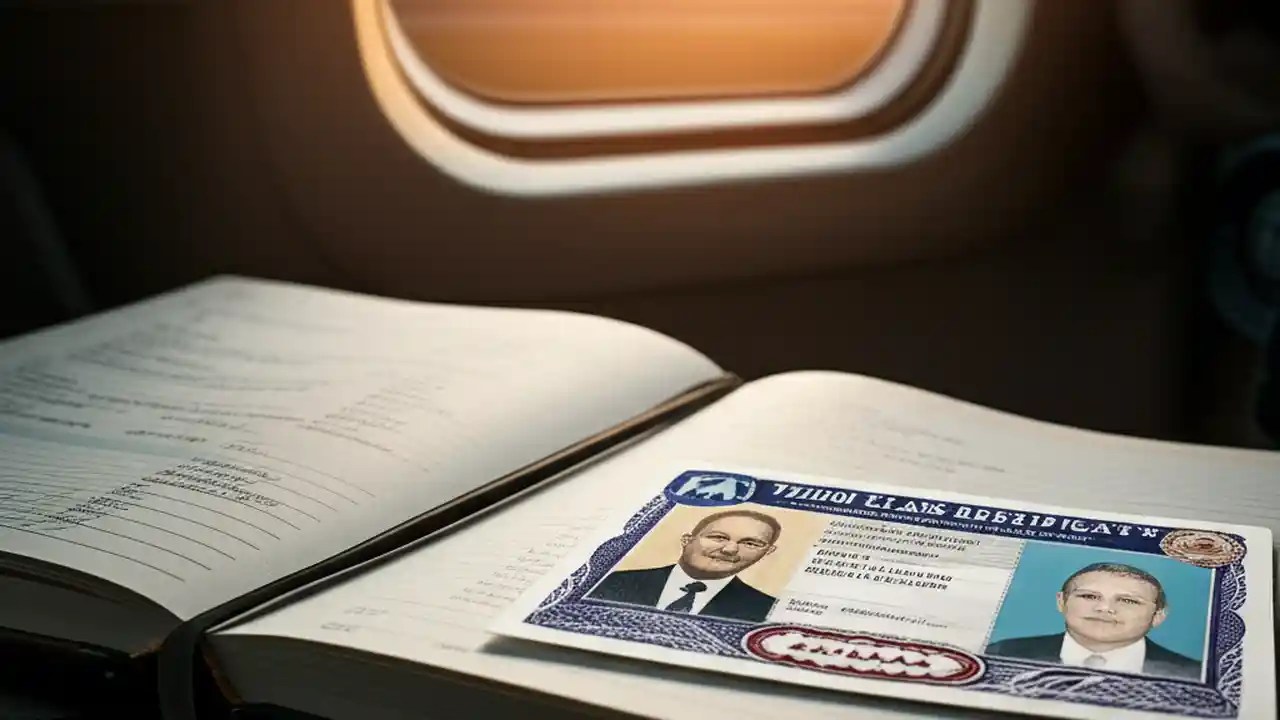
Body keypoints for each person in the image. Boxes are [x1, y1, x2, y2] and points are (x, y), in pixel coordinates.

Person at [985, 562, 1201, 679]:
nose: (1104, 608)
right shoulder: (1000, 653)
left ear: (1159, 616)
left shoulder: (1192, 674)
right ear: (1062, 602)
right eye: (1089, 596)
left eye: (1127, 601)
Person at [587, 509, 780, 622]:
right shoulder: (613, 582)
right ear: (687, 540)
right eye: (718, 537)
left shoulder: (766, 610)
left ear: (767, 552)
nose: (730, 549)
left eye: (750, 544)